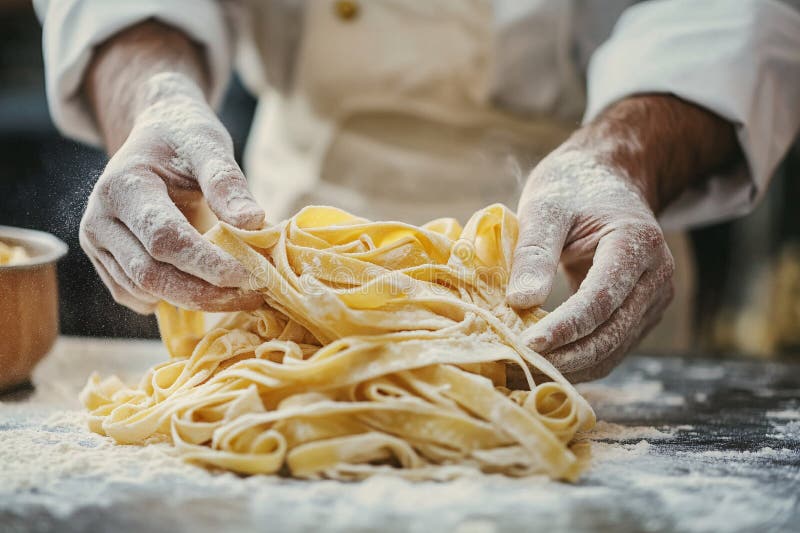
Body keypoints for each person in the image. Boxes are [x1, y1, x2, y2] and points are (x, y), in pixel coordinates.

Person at [34, 0, 800, 382]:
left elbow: (736, 11)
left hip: (577, 255)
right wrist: (151, 100)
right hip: (286, 254)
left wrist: (624, 160)